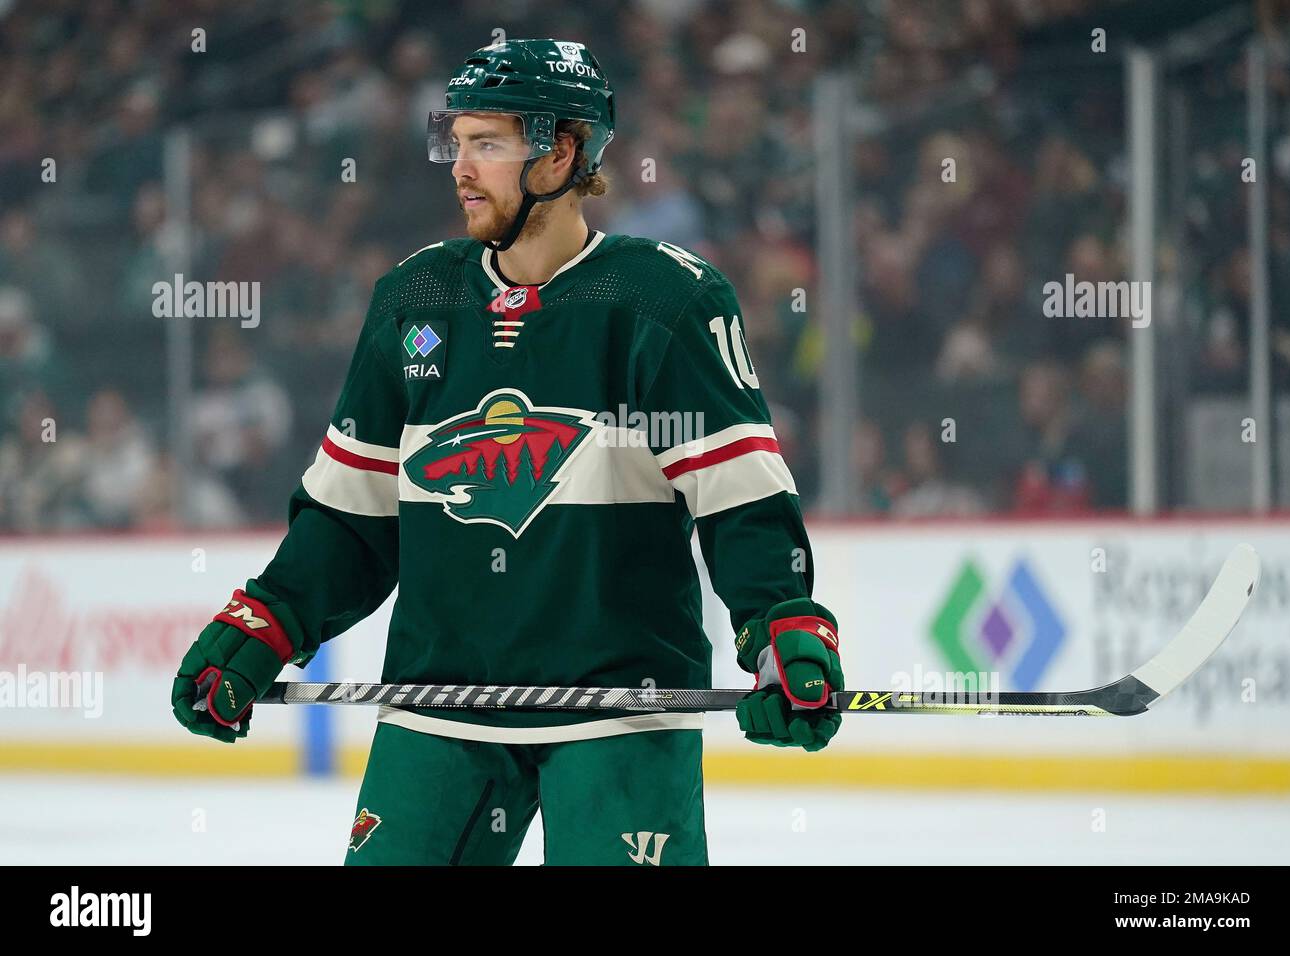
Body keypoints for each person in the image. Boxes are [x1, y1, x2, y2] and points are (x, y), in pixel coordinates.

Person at [171, 38, 841, 866]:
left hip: (618, 708)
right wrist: (270, 618)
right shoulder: (415, 297)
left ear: (561, 151)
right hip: (439, 702)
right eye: (455, 142)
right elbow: (353, 518)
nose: (460, 167)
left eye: (487, 144)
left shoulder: (663, 300)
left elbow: (740, 498)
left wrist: (780, 621)